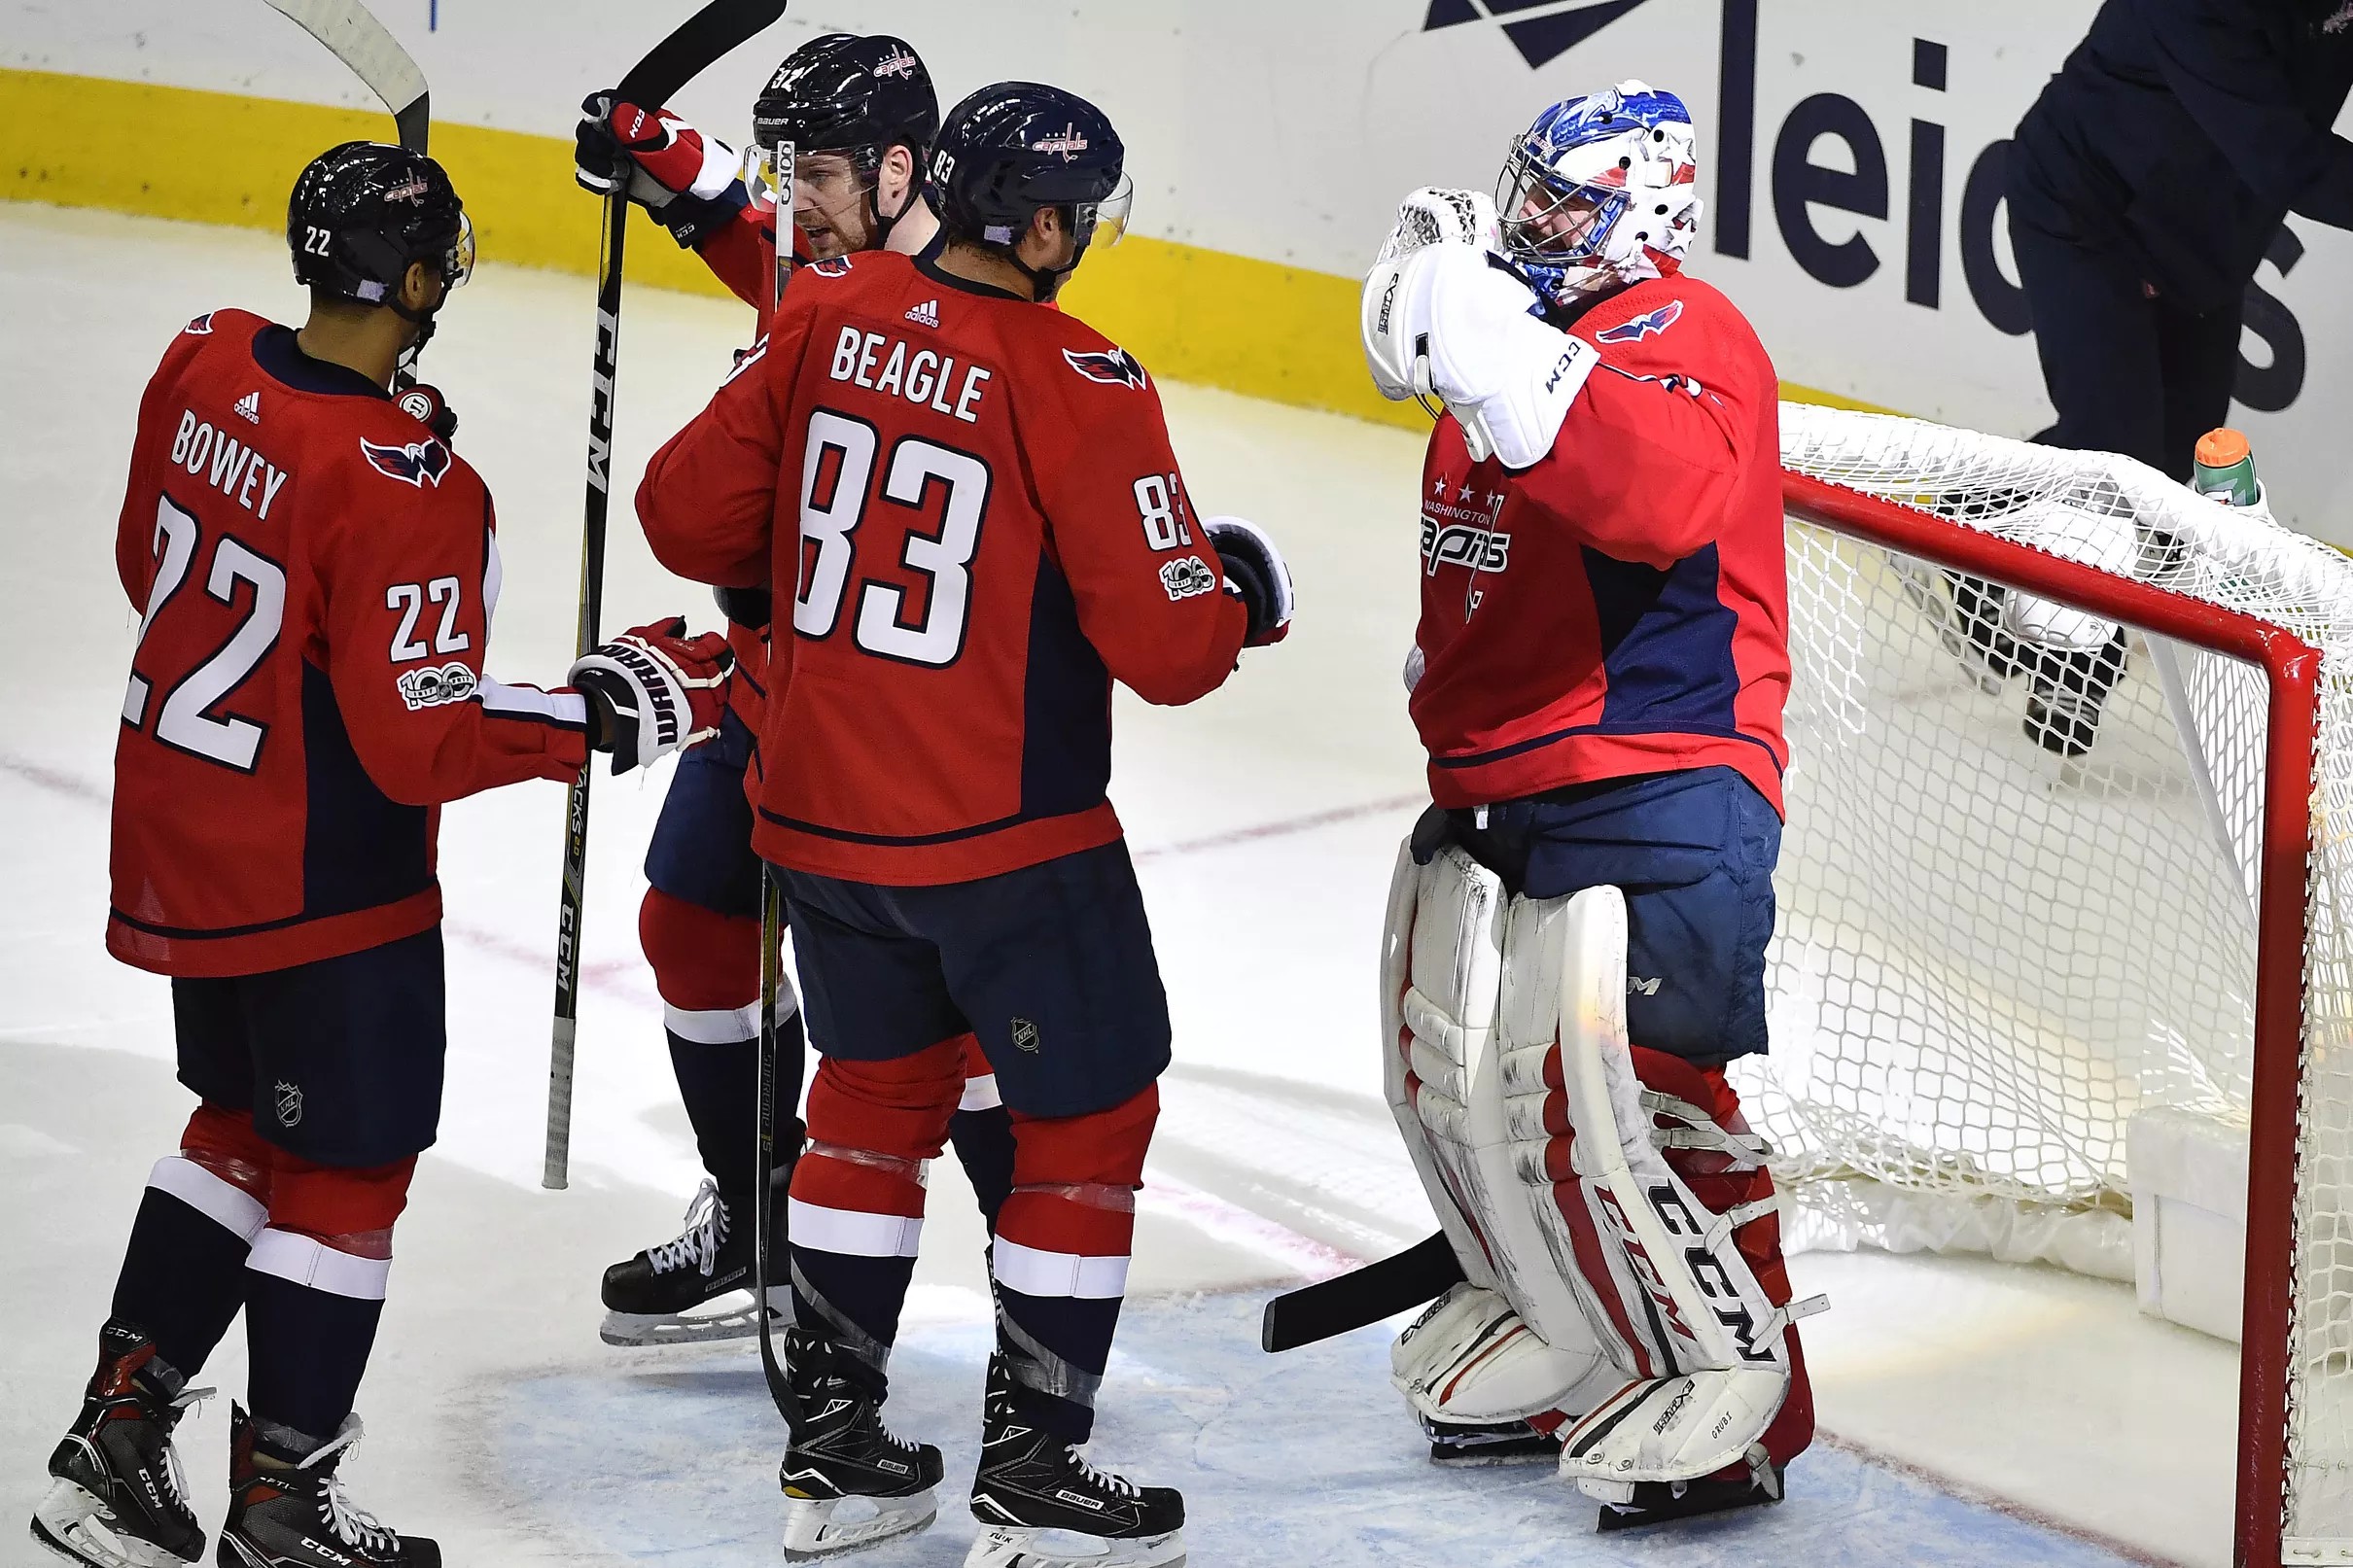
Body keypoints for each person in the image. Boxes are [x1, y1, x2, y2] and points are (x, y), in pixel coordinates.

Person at [30, 142, 729, 1568]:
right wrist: (622, 698)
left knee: (234, 1127)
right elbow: (424, 741)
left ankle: (114, 1436)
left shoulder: (199, 360)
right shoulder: (409, 478)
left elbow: (140, 565)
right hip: (324, 878)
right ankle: (284, 1502)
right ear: (416, 282)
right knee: (346, 1175)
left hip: (182, 832)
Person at [636, 81, 1293, 1568]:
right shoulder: (1085, 375)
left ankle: (841, 1456)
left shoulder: (822, 314)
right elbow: (1172, 649)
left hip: (811, 823)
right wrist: (1240, 589)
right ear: (1047, 223)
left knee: (870, 1100)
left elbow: (684, 516)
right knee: (1088, 1123)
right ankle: (1039, 1467)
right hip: (1005, 841)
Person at [1360, 82, 1819, 1527]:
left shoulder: (1680, 331)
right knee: (1489, 1093)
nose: (1535, 222)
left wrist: (1498, 345)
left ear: (1650, 211)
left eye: (1571, 201)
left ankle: (1756, 1402)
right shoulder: (1540, 342)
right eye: (1532, 191)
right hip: (1519, 778)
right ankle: (1585, 1338)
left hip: (1662, 776)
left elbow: (1661, 499)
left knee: (1652, 1106)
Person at [574, 33, 1019, 1349]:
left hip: (904, 725)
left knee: (957, 1005)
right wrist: (661, 160)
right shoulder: (823, 266)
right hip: (773, 695)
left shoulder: (964, 306)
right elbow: (754, 228)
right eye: (788, 168)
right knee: (689, 922)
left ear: (900, 171)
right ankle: (755, 1216)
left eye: (818, 169)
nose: (794, 196)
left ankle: (1042, 1274)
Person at [1997, 0, 2353, 755]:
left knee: (2171, 472)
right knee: (2118, 462)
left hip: (2199, 246)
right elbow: (2288, 159)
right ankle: (2067, 673)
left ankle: (1982, 511)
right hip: (2087, 216)